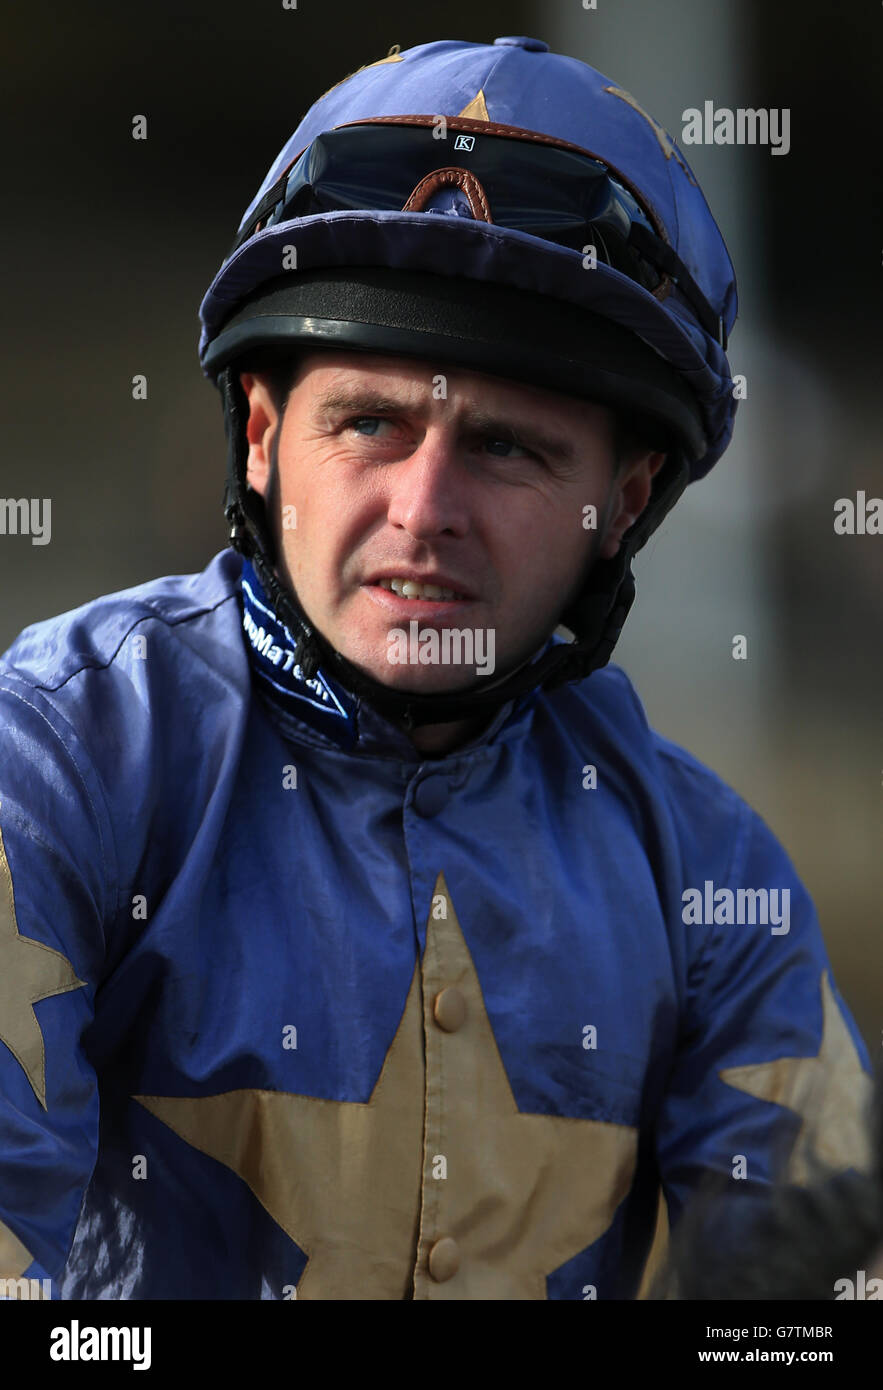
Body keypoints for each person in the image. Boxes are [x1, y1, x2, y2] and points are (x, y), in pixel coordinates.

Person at [0, 36, 872, 1302]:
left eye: (508, 448)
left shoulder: (713, 879)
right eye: (370, 421)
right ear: (260, 437)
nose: (425, 508)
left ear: (621, 503)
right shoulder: (55, 761)